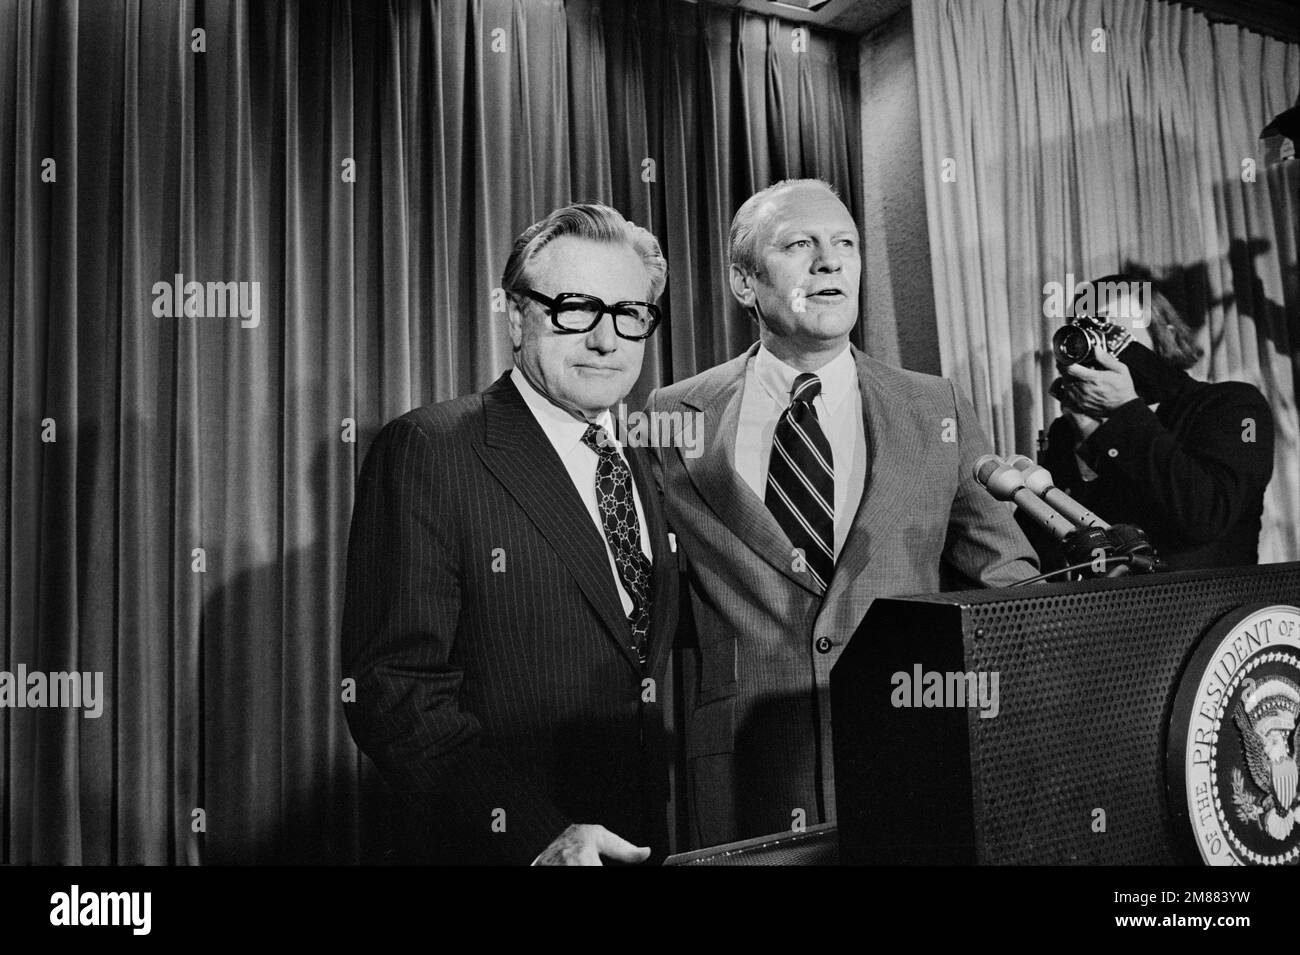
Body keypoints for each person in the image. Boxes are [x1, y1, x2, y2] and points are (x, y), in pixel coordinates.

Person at [646, 179, 1038, 847]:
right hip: (747, 775)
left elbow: (1009, 586)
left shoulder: (935, 406)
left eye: (845, 244)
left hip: (916, 759)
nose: (830, 261)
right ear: (743, 282)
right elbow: (653, 599)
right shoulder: (671, 414)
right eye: (799, 244)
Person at [341, 203, 678, 865]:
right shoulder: (431, 448)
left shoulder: (643, 462)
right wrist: (537, 837)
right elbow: (395, 690)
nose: (605, 340)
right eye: (576, 308)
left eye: (628, 313)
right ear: (518, 317)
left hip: (641, 845)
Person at [1042, 275, 1274, 570]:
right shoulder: (1068, 430)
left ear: (1165, 334)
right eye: (1084, 334)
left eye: (1111, 332)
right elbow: (1045, 543)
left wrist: (1122, 412)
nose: (1098, 347)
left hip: (1207, 594)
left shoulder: (1235, 405)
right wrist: (1085, 439)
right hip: (1107, 596)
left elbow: (1206, 516)